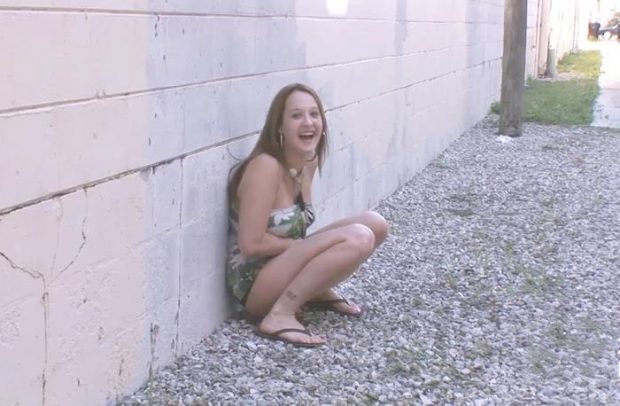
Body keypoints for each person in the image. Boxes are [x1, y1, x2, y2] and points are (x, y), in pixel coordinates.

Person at [226, 83, 389, 347]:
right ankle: (280, 314)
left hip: (284, 262)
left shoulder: (307, 161)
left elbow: (298, 232)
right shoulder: (265, 166)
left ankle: (315, 291)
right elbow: (250, 244)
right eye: (296, 115)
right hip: (255, 284)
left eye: (314, 114)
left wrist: (301, 247)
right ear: (279, 126)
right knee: (359, 238)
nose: (308, 122)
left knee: (376, 224)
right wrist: (298, 247)